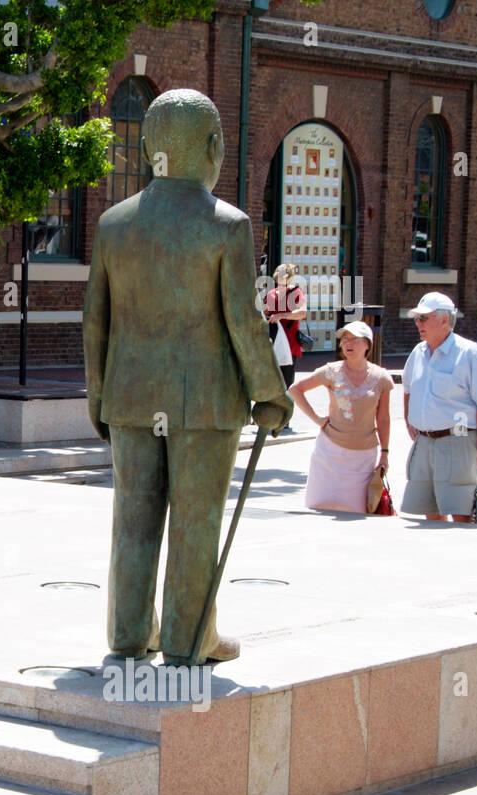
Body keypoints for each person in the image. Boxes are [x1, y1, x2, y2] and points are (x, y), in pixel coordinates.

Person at [83, 89, 293, 667]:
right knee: (196, 521)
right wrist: (271, 393)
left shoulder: (113, 224)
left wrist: (98, 399)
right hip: (205, 401)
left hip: (128, 397)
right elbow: (244, 321)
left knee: (133, 518)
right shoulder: (227, 226)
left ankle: (128, 634)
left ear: (148, 148)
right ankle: (188, 638)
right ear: (214, 148)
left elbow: (94, 323)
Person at [399, 292, 477, 522]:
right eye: (417, 319)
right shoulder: (417, 353)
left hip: (458, 441)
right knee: (431, 514)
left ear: (444, 320)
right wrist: (409, 422)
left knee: (460, 514)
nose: (418, 323)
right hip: (424, 442)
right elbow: (408, 389)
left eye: (424, 318)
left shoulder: (469, 353)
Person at [288, 321, 392, 512]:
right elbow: (295, 389)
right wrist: (317, 419)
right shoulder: (331, 371)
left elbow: (383, 419)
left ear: (367, 344)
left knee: (357, 515)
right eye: (344, 339)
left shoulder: (381, 377)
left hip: (363, 458)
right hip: (329, 454)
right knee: (319, 509)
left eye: (354, 339)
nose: (347, 343)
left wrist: (385, 453)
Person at [263, 263, 307, 391]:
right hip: (272, 344)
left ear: (290, 279)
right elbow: (264, 314)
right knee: (270, 383)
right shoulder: (271, 294)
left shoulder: (297, 292)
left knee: (286, 384)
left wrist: (282, 315)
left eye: (285, 282)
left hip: (290, 345)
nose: (281, 285)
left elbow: (302, 313)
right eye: (279, 282)